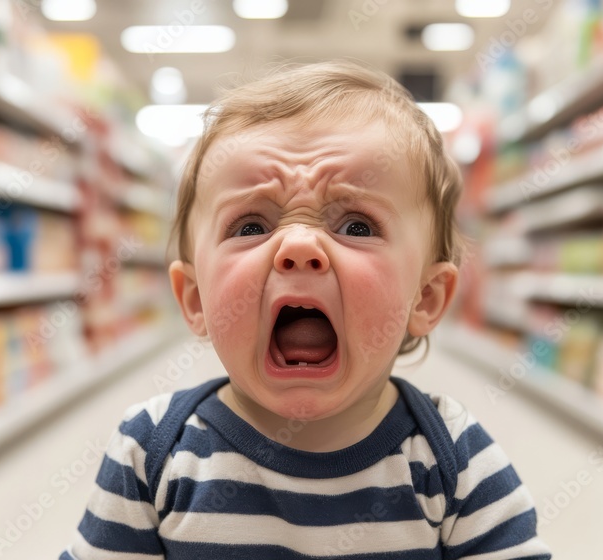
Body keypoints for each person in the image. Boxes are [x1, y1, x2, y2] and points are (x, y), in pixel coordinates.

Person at [60, 61, 552, 560]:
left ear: (424, 298)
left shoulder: (456, 462)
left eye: (357, 226)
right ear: (195, 298)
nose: (298, 245)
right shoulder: (153, 453)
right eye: (250, 226)